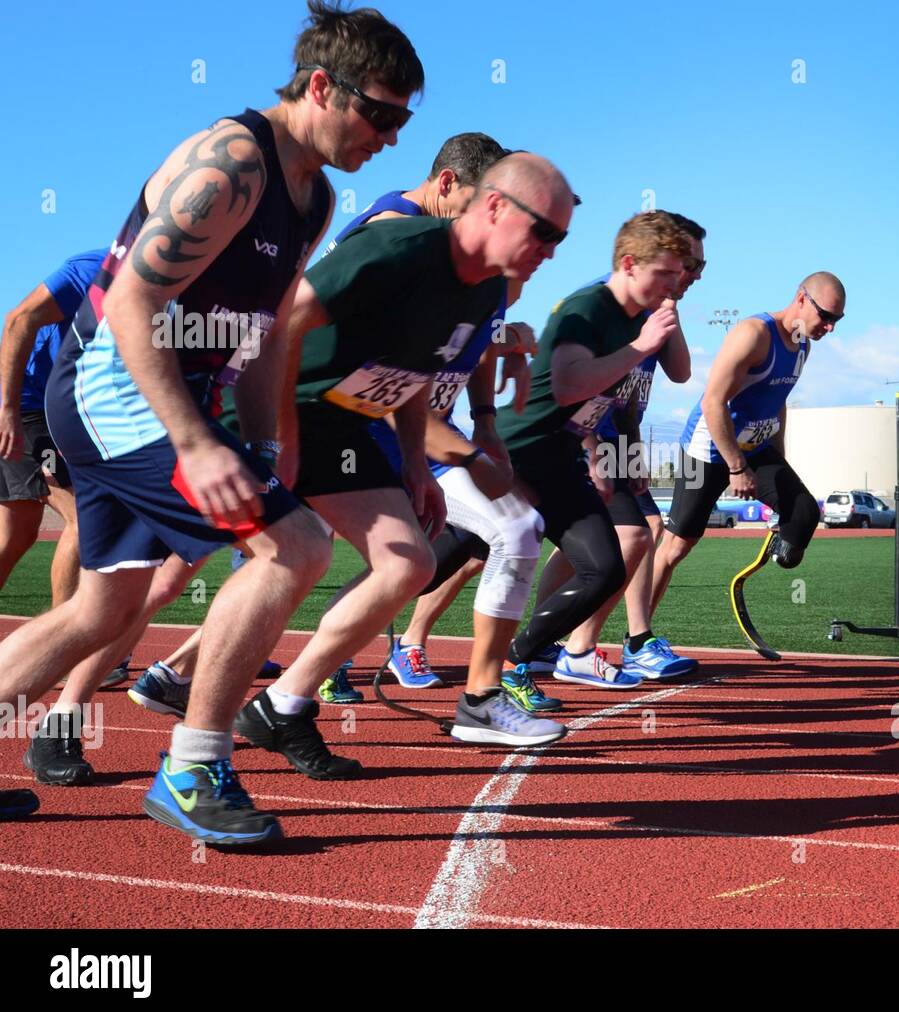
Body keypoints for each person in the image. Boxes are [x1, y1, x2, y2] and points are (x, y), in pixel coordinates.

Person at [0, 0, 424, 842]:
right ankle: (194, 767)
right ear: (319, 86)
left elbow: (262, 336)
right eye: (379, 113)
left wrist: (263, 446)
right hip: (113, 390)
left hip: (170, 398)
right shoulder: (233, 163)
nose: (392, 137)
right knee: (294, 545)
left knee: (104, 609)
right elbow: (130, 300)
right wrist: (197, 442)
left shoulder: (314, 197)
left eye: (404, 120)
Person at [234, 151, 575, 775]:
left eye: (561, 238)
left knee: (407, 563)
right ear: (494, 205)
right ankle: (97, 716)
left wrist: (418, 466)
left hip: (342, 421)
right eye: (544, 232)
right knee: (150, 585)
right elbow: (280, 329)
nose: (550, 250)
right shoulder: (395, 243)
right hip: (262, 406)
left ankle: (281, 705)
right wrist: (277, 439)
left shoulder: (486, 288)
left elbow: (416, 375)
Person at [494, 211, 693, 709]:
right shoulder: (589, 309)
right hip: (520, 448)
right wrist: (642, 345)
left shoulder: (638, 316)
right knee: (442, 559)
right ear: (631, 263)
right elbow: (568, 389)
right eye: (670, 272)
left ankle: (526, 659)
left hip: (568, 452)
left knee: (606, 560)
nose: (682, 281)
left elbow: (627, 395)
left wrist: (618, 453)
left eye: (687, 272)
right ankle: (386, 647)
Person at [649, 274, 843, 650]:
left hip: (756, 446)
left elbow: (778, 400)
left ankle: (774, 549)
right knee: (676, 547)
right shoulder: (753, 334)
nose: (830, 327)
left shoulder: (803, 344)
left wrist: (780, 460)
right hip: (706, 449)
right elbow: (712, 402)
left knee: (802, 512)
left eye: (838, 319)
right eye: (826, 316)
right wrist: (736, 466)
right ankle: (638, 636)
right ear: (801, 298)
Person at [0, 250, 103, 599]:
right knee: (84, 519)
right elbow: (18, 319)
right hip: (30, 411)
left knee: (17, 534)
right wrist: (8, 409)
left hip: (49, 410)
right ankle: (65, 641)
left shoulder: (166, 291)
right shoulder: (95, 268)